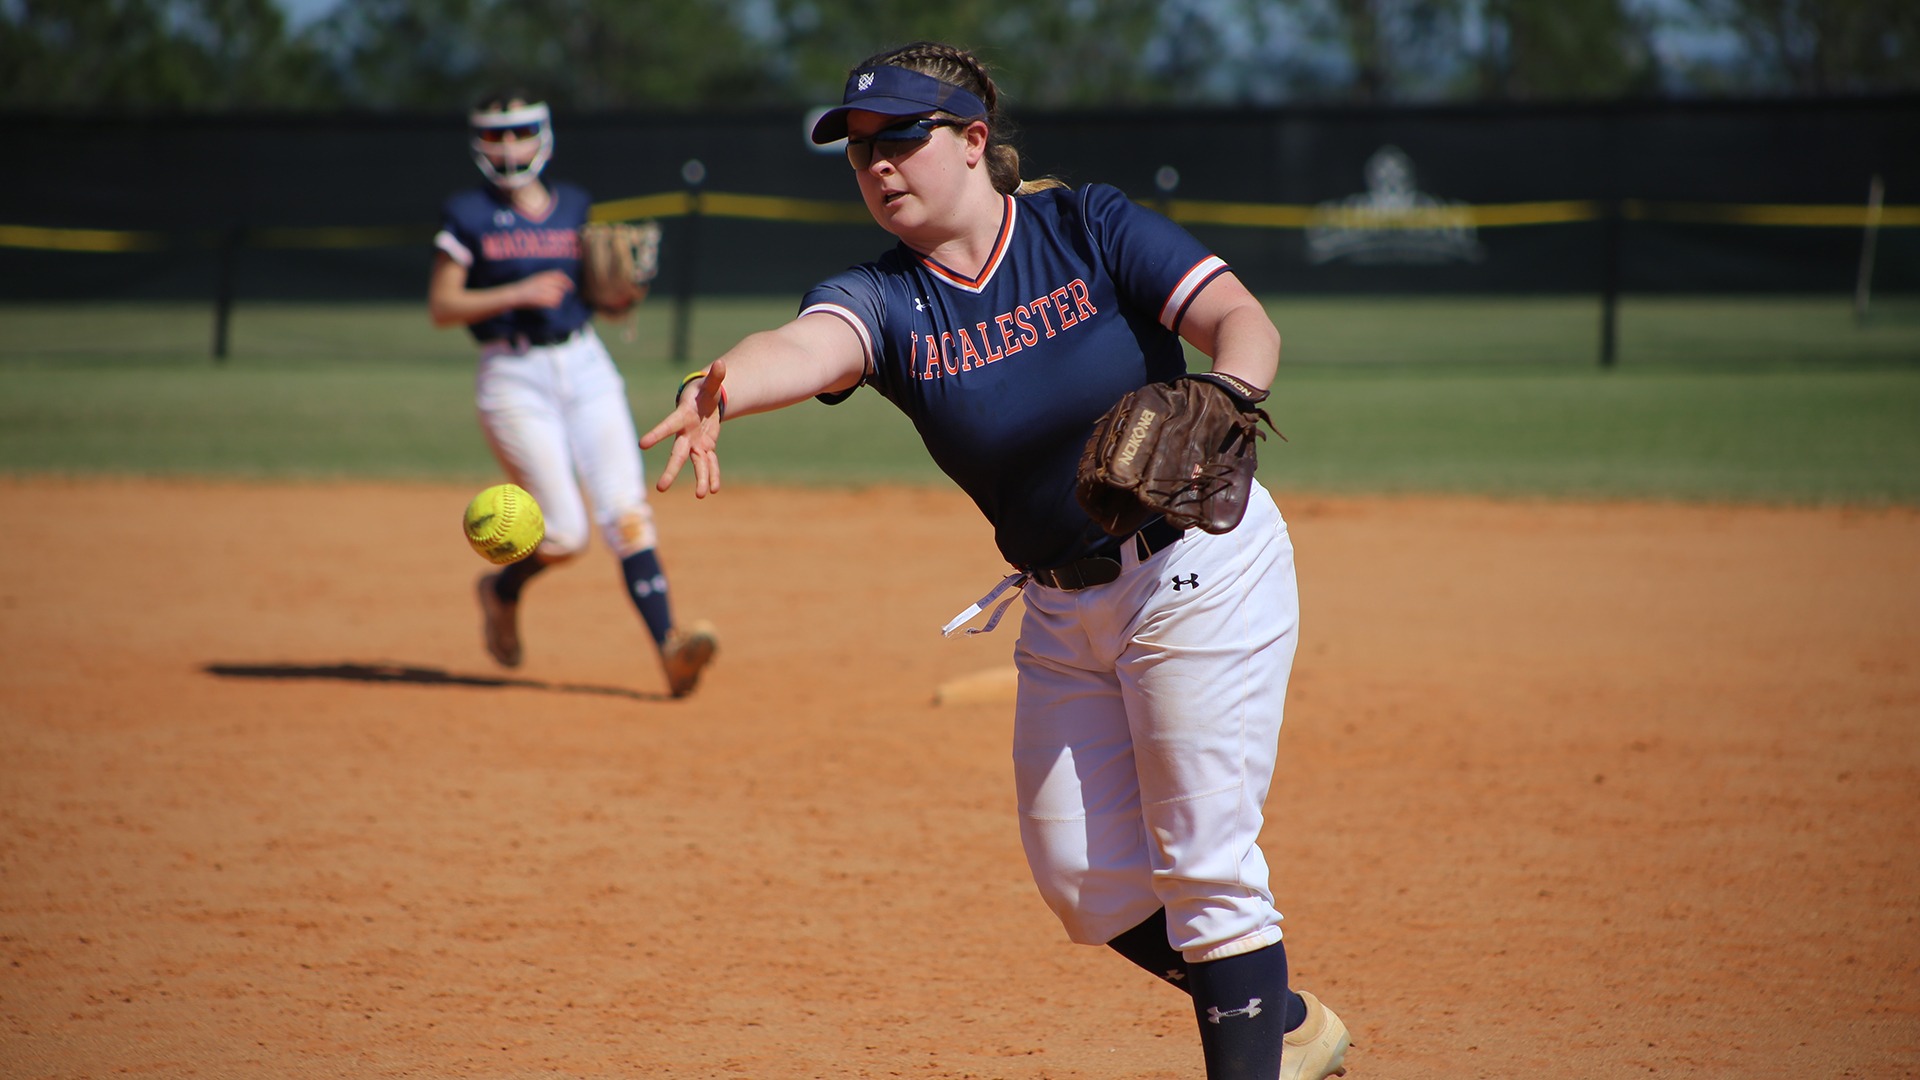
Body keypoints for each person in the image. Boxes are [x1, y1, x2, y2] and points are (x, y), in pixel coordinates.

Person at [642, 41, 1351, 1080]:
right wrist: (723, 386)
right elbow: (808, 344)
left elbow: (1238, 317)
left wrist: (1230, 394)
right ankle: (1277, 1015)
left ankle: (1251, 1047)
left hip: (1197, 570)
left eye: (900, 139)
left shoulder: (1086, 227)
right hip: (1063, 609)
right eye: (857, 150)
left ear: (974, 141)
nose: (876, 164)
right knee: (1086, 884)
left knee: (1206, 872)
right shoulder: (888, 299)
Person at [429, 90, 718, 698]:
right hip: (512, 377)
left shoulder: (574, 206)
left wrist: (617, 300)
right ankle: (500, 591)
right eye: (496, 135)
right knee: (563, 534)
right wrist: (514, 292)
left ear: (544, 135)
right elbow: (443, 305)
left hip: (584, 364)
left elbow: (587, 301)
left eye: (520, 132)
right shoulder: (468, 214)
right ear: (478, 142)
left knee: (627, 512)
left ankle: (669, 650)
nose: (509, 146)